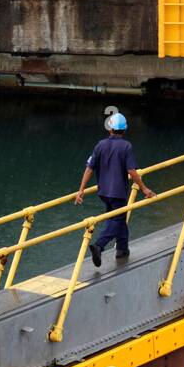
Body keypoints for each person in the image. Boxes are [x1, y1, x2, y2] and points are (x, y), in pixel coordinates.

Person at [74, 112, 155, 266]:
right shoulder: (126, 146)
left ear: (110, 129)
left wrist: (81, 189)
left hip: (104, 192)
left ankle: (122, 249)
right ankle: (99, 246)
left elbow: (89, 168)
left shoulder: (100, 145)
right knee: (117, 220)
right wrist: (144, 188)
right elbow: (131, 171)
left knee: (119, 220)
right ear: (124, 130)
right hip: (118, 192)